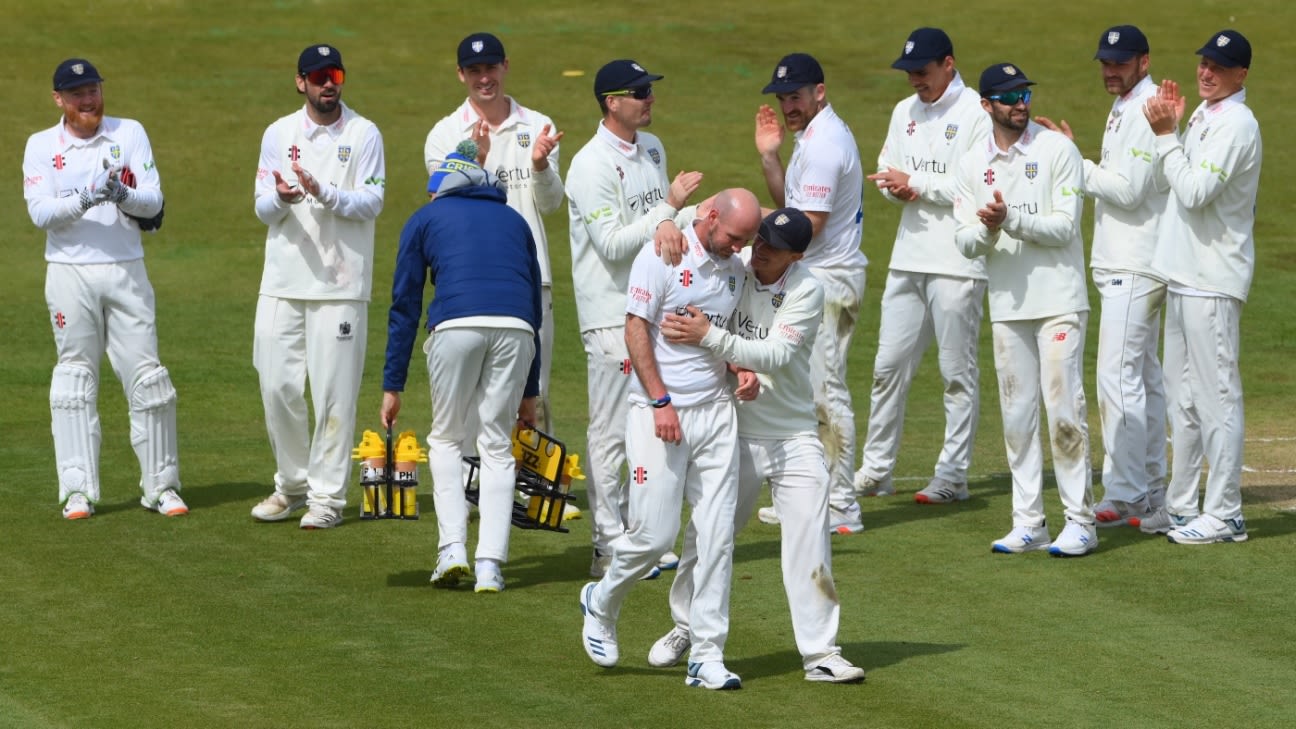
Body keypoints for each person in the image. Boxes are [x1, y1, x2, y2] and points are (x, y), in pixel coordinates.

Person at [652, 207, 866, 684]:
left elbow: (774, 353)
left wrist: (710, 337)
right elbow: (700, 213)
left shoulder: (808, 289)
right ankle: (685, 625)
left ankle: (820, 655)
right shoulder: (738, 266)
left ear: (798, 255)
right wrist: (665, 220)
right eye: (760, 239)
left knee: (810, 539)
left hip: (793, 434)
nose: (759, 250)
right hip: (737, 430)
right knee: (708, 533)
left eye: (772, 246)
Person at [579, 189, 760, 690]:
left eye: (745, 240)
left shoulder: (736, 266)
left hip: (717, 414)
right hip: (658, 413)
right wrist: (660, 400)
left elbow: (725, 331)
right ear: (709, 216)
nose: (738, 247)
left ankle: (706, 656)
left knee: (716, 537)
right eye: (732, 236)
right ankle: (603, 599)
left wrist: (742, 368)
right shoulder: (663, 253)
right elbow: (636, 328)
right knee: (655, 536)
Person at [23, 57, 186, 520]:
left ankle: (162, 487)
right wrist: (88, 196)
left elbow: (152, 198)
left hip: (126, 269)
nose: (88, 99)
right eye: (77, 94)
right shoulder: (40, 146)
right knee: (74, 380)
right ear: (59, 99)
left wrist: (121, 196)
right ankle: (78, 491)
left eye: (93, 89)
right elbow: (41, 213)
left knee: (149, 378)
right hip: (69, 273)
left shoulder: (128, 133)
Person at [382, 147, 542, 592]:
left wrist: (392, 384)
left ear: (440, 189)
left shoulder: (424, 218)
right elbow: (534, 309)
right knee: (495, 444)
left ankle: (452, 549)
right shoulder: (514, 220)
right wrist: (531, 390)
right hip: (517, 330)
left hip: (455, 327)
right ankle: (490, 565)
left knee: (447, 437)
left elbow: (405, 306)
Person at [953, 63, 1097, 557]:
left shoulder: (1058, 150)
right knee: (1017, 416)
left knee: (1064, 411)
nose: (1020, 102)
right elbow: (964, 240)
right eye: (1009, 95)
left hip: (1059, 300)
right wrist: (989, 230)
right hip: (1008, 306)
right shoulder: (973, 163)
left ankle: (1080, 521)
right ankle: (1029, 522)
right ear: (986, 105)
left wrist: (1009, 218)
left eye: (1024, 93)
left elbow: (1064, 226)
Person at [566, 59, 702, 578]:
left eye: (651, 89)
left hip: (651, 310)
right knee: (610, 434)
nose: (649, 98)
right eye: (639, 91)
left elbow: (662, 229)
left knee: (647, 425)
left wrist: (696, 216)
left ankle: (641, 537)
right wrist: (669, 208)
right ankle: (607, 544)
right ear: (611, 101)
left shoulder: (652, 148)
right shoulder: (590, 164)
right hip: (608, 317)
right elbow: (615, 244)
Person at [1036, 25, 1169, 528]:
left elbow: (1129, 191)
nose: (1110, 71)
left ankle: (1128, 491)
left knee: (1117, 377)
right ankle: (1151, 483)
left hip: (1135, 261)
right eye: (1105, 62)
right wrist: (1080, 153)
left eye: (1120, 62)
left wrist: (1072, 161)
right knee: (1143, 377)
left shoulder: (1144, 106)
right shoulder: (1130, 103)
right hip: (1131, 258)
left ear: (1143, 60)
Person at [250, 44, 386, 529]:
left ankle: (326, 499)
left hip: (341, 284)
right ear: (301, 82)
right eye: (319, 75)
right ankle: (291, 484)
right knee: (277, 386)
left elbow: (372, 201)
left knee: (333, 395)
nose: (329, 83)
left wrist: (321, 191)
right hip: (283, 281)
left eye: (336, 74)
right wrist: (283, 198)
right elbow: (261, 206)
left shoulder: (364, 132)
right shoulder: (279, 133)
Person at [852, 28, 990, 505]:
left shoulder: (976, 112)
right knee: (887, 368)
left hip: (958, 260)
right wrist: (896, 186)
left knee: (956, 373)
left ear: (948, 64)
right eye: (910, 72)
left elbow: (974, 186)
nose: (915, 80)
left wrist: (917, 184)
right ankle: (877, 468)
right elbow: (886, 165)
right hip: (907, 257)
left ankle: (953, 475)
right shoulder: (903, 112)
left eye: (923, 72)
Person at [1140, 30, 1260, 544]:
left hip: (1214, 279)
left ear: (1242, 74)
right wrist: (1168, 132)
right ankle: (1183, 506)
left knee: (1217, 399)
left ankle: (1227, 512)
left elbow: (1193, 193)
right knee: (1183, 400)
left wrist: (1167, 137)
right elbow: (1172, 181)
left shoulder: (1238, 124)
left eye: (1219, 65)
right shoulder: (1205, 115)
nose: (1206, 71)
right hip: (1185, 274)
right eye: (1204, 62)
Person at [423, 32, 564, 432]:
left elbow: (552, 204)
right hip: (469, 280)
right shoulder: (445, 134)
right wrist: (477, 161)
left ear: (506, 66)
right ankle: (478, 491)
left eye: (491, 68)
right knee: (474, 393)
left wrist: (539, 166)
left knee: (534, 392)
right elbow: (441, 208)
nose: (484, 78)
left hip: (531, 277)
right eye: (474, 71)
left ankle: (537, 493)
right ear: (460, 75)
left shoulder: (539, 126)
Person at [754, 52, 866, 534]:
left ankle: (841, 505)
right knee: (802, 388)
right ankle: (804, 496)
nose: (788, 106)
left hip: (829, 279)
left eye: (795, 96)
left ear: (819, 91)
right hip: (818, 274)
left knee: (825, 390)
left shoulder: (824, 145)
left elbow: (809, 227)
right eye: (782, 98)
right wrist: (769, 157)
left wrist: (741, 221)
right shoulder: (812, 138)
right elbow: (793, 209)